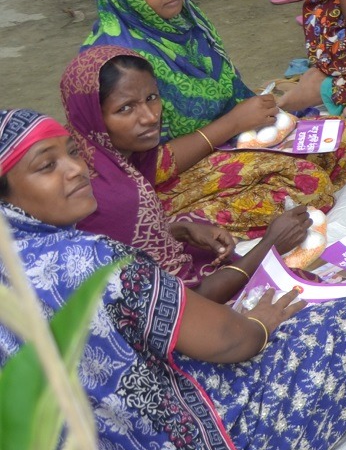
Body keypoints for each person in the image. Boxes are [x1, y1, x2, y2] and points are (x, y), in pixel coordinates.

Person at [0, 110, 346, 450]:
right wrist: (260, 322)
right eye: (46, 166)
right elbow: (230, 342)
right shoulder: (91, 260)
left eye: (72, 153)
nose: (75, 169)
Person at [64, 46, 313, 299]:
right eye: (125, 109)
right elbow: (188, 303)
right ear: (92, 117)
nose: (150, 117)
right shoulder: (113, 195)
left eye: (152, 98)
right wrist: (270, 246)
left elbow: (120, 242)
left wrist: (178, 230)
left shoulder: (94, 156)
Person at [85, 0, 332, 143]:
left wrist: (261, 110)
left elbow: (229, 94)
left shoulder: (184, 21)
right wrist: (234, 123)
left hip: (226, 134)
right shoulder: (118, 61)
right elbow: (149, 164)